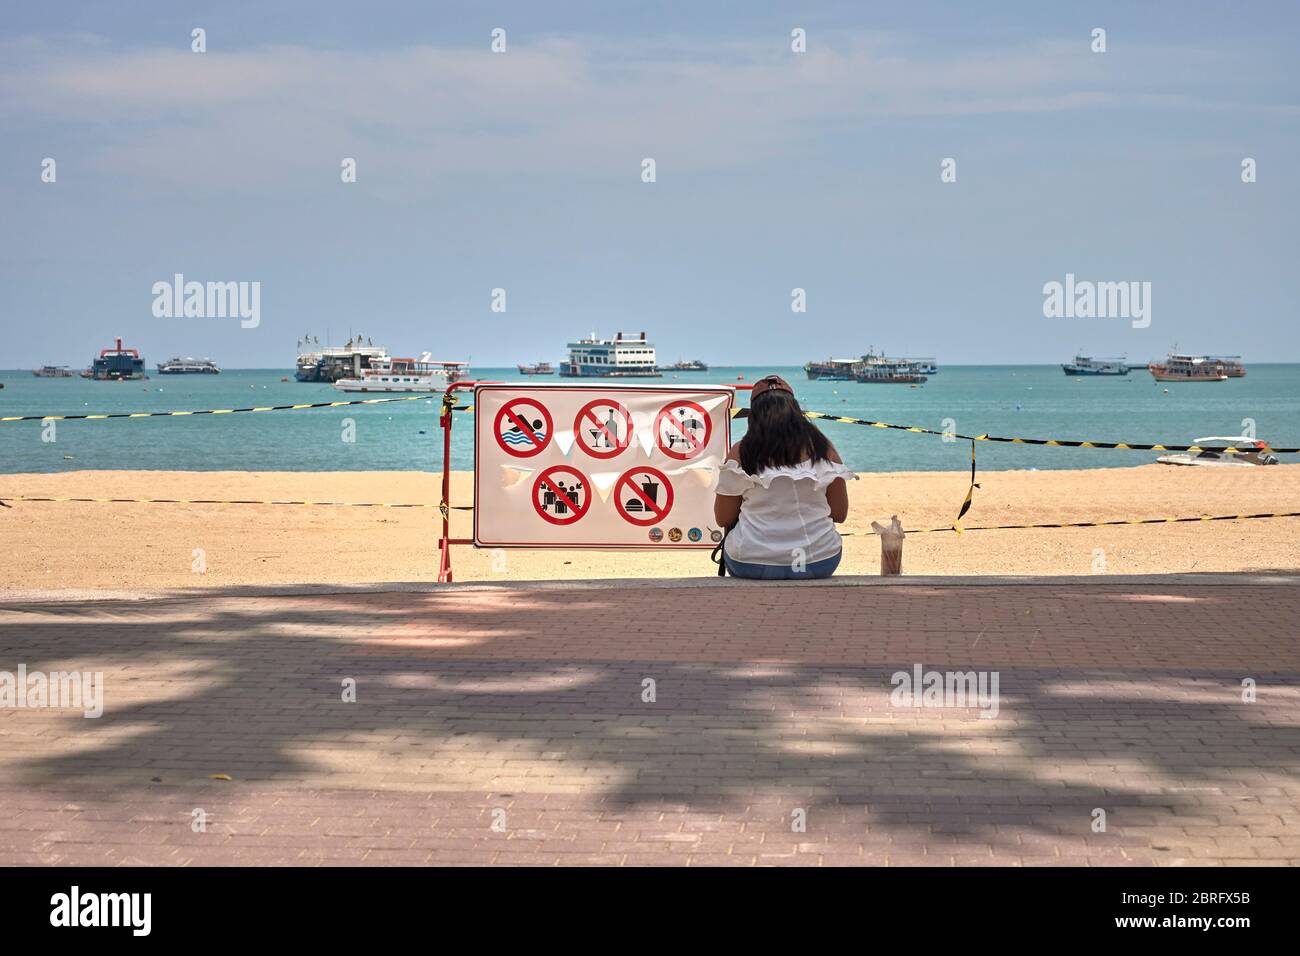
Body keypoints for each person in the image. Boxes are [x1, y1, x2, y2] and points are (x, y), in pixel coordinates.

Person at [714, 374, 853, 579]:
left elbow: (723, 518)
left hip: (751, 561)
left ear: (753, 416)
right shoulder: (824, 449)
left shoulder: (741, 453)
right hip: (820, 560)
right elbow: (840, 513)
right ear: (797, 412)